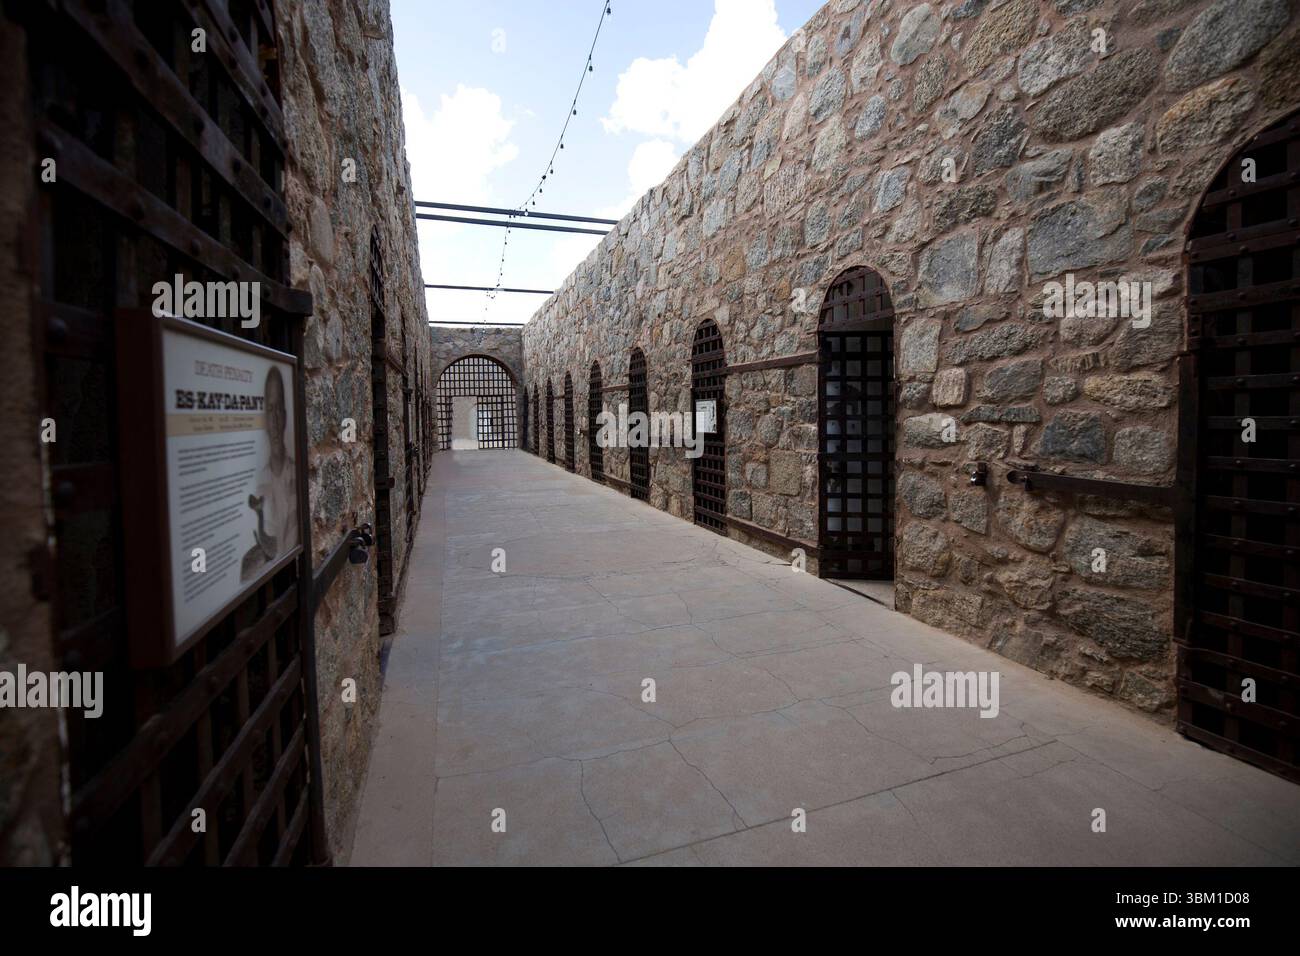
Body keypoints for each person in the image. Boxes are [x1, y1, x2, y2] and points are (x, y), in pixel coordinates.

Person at [240, 366, 298, 581]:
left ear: (284, 415)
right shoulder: (258, 481)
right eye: (269, 409)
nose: (274, 421)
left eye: (278, 410)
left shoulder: (296, 476)